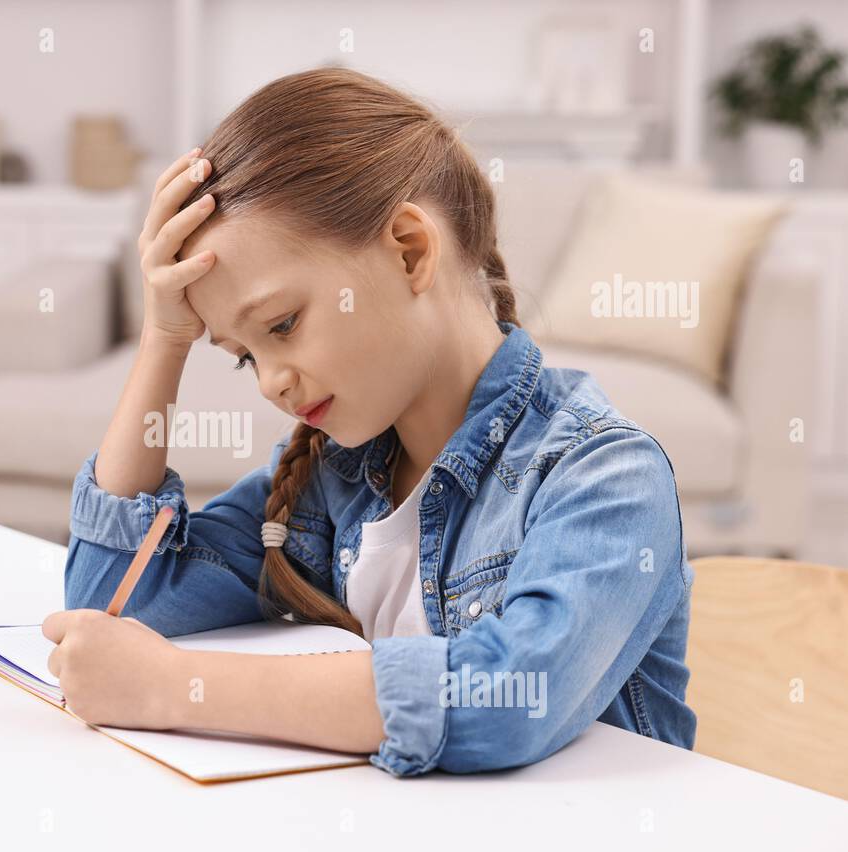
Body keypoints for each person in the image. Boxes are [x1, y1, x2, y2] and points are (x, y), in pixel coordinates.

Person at [42, 67, 697, 776]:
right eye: (242, 357)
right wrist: (164, 340)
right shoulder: (334, 480)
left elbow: (506, 698)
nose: (270, 382)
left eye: (283, 324)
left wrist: (175, 688)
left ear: (411, 250)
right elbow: (115, 604)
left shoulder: (605, 474)